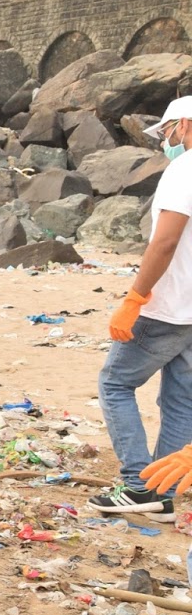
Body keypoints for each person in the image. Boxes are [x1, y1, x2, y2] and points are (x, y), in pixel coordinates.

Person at [95, 95, 192, 520]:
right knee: (181, 400)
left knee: (115, 383)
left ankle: (138, 485)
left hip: (168, 306)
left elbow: (166, 241)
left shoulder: (184, 169)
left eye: (167, 131)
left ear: (184, 126)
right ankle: (162, 492)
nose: (165, 141)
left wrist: (136, 298)